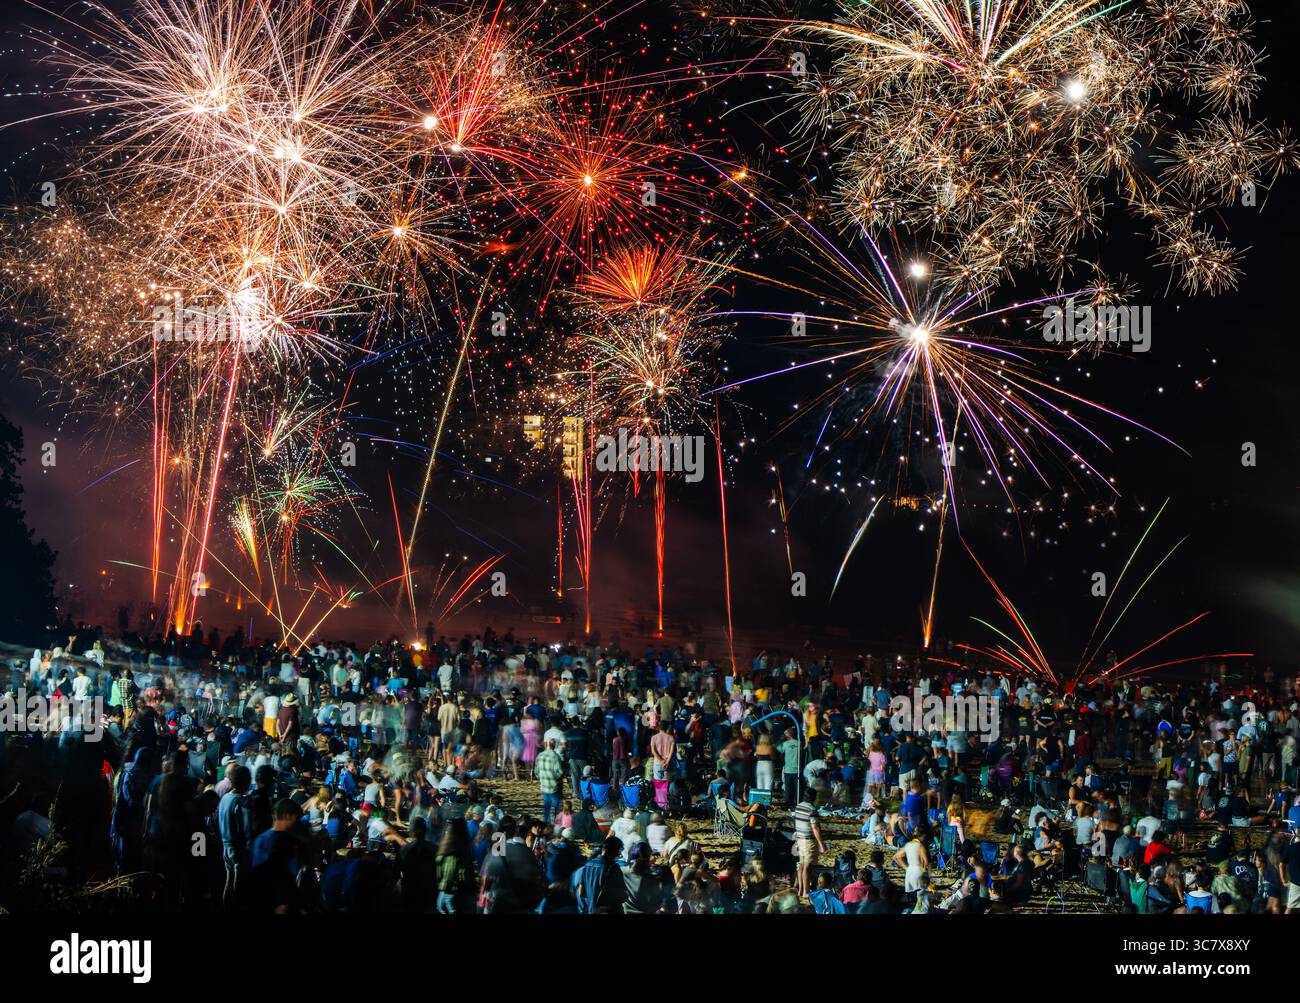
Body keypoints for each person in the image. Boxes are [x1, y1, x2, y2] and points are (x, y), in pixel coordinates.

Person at [792, 796, 828, 899]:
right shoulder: (812, 810)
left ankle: (800, 890)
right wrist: (821, 844)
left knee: (802, 865)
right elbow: (815, 828)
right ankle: (805, 892)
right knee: (807, 867)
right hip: (808, 840)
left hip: (799, 839)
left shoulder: (798, 807)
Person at [536, 738, 564, 823]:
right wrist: (555, 778)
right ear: (554, 745)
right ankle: (555, 825)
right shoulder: (555, 756)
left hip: (544, 786)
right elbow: (560, 772)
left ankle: (546, 825)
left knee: (546, 808)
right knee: (555, 808)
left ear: (545, 744)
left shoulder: (540, 755)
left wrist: (542, 778)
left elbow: (536, 772)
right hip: (553, 786)